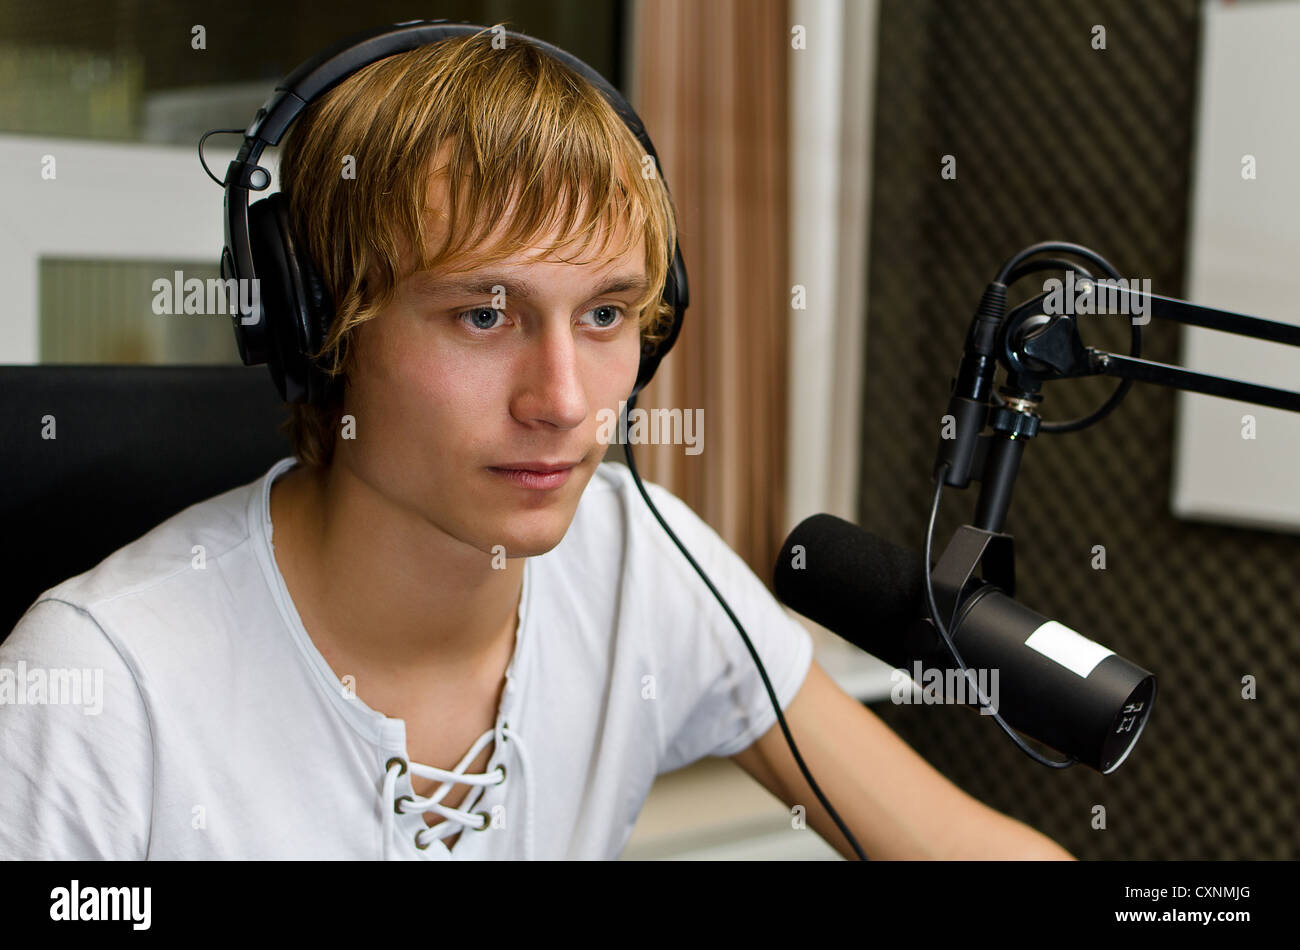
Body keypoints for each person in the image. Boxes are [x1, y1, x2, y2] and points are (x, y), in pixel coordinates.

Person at [0, 27, 1073, 861]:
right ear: (318, 330)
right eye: (483, 314)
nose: (564, 401)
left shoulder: (636, 559)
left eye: (604, 315)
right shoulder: (100, 688)